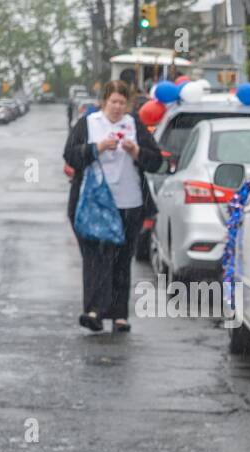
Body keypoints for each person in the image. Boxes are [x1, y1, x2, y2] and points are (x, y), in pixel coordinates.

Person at [63, 80, 163, 332]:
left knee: (121, 258)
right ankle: (94, 311)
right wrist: (96, 148)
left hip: (130, 203)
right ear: (104, 101)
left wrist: (136, 152)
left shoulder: (133, 125)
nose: (118, 107)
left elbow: (155, 161)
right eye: (113, 102)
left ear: (127, 104)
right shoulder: (89, 123)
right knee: (97, 258)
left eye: (122, 102)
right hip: (93, 204)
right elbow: (70, 154)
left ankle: (120, 315)